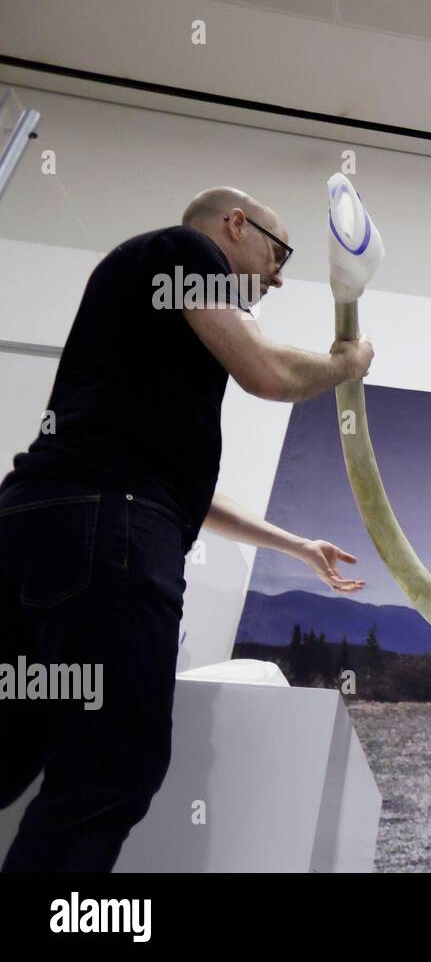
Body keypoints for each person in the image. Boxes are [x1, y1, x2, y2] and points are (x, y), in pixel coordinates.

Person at [0, 186, 375, 872]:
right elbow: (266, 370)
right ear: (235, 224)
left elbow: (174, 491)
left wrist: (293, 544)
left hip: (42, 526)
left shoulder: (148, 336)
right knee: (115, 763)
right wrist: (347, 364)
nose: (278, 275)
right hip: (102, 528)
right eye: (277, 251)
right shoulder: (183, 250)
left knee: (11, 748)